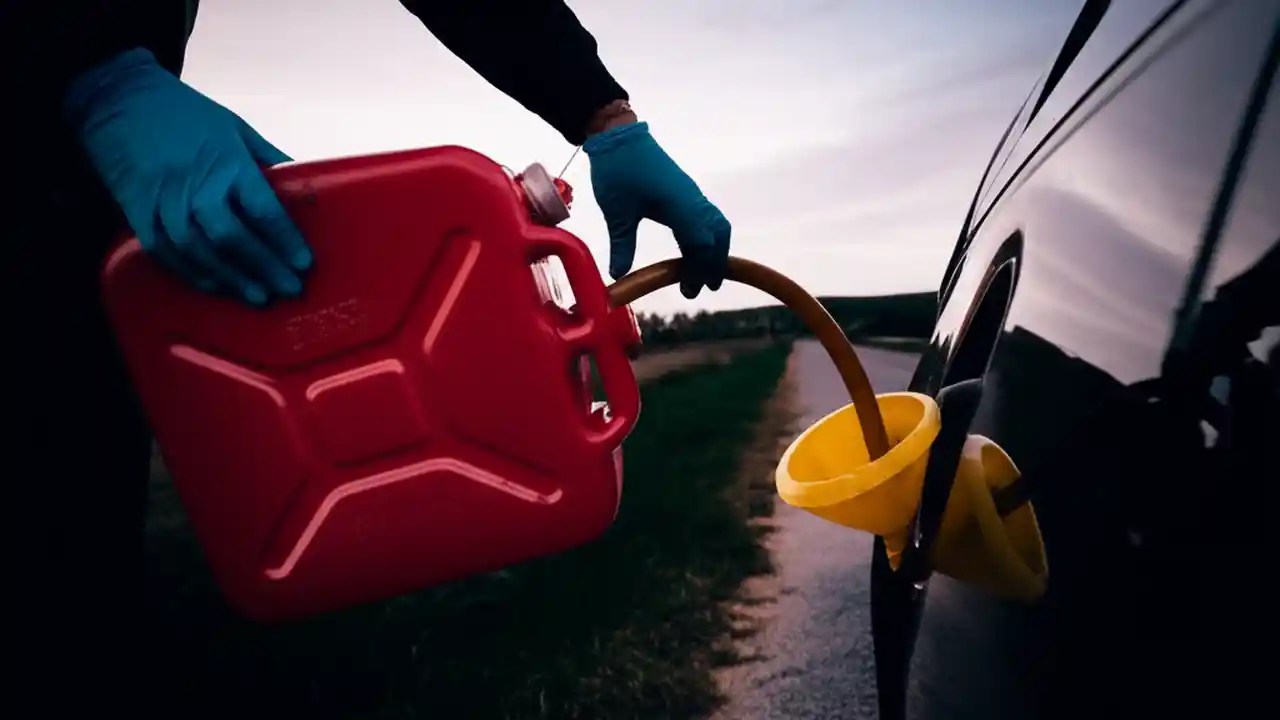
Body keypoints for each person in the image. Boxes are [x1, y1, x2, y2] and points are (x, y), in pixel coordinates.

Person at [4, 0, 730, 711]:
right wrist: (86, 69)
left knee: (70, 575)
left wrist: (603, 117)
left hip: (87, 214)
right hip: (73, 126)